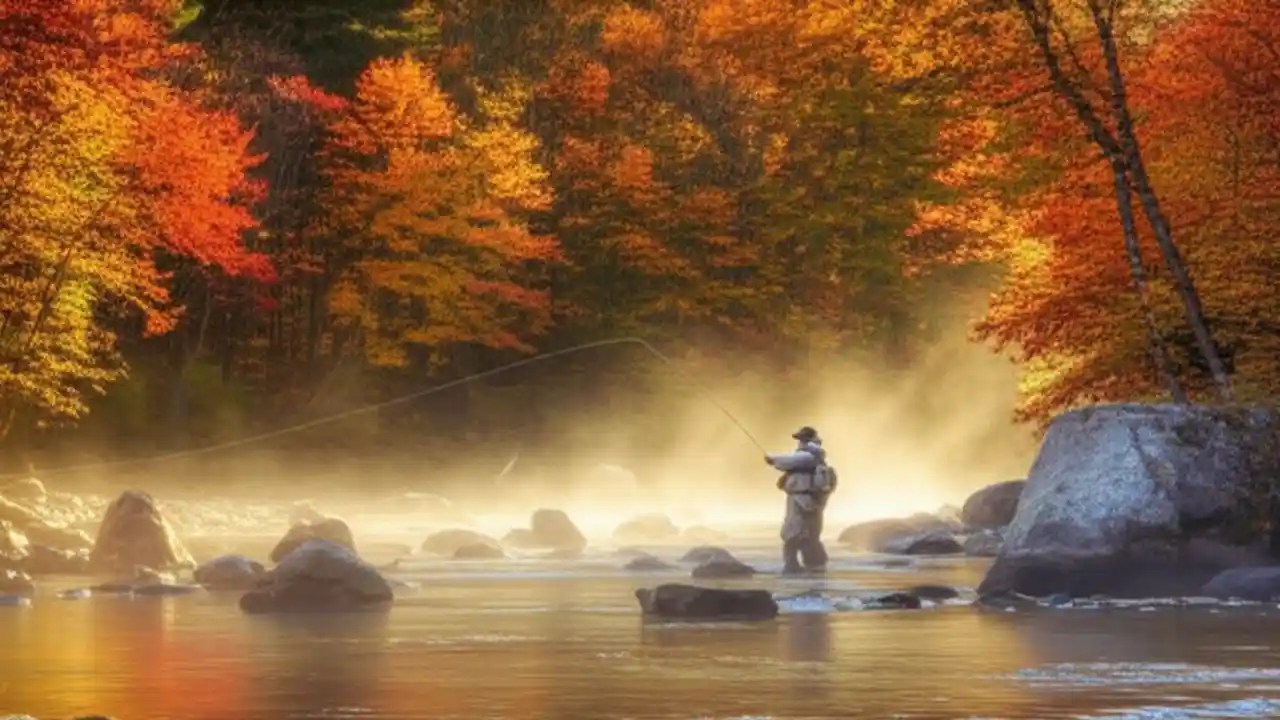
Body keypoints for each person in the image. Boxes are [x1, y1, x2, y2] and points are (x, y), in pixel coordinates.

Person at [765, 426, 833, 575]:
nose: (799, 442)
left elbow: (791, 461)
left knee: (795, 532)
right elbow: (790, 463)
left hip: (803, 499)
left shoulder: (809, 454)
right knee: (804, 533)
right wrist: (775, 462)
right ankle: (812, 565)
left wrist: (772, 459)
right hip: (802, 498)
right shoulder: (811, 455)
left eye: (801, 438)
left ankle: (794, 566)